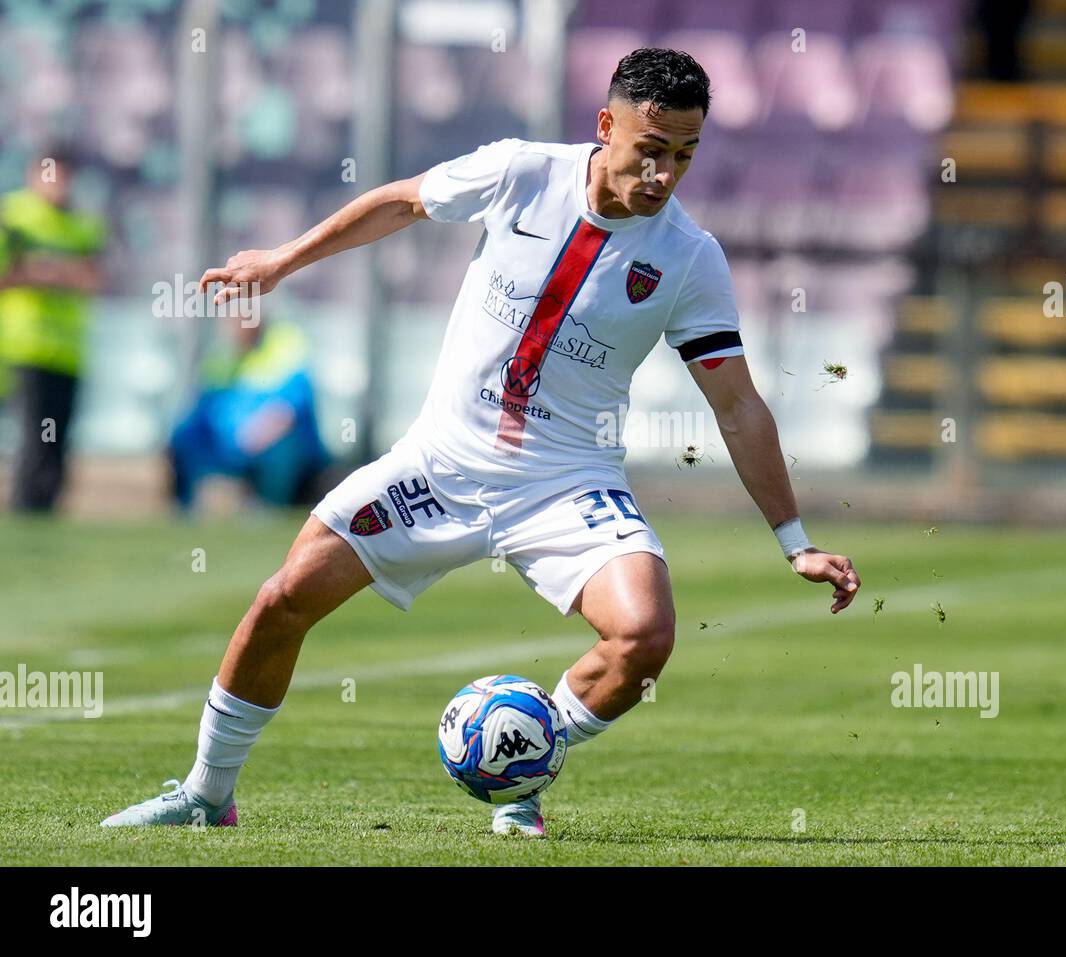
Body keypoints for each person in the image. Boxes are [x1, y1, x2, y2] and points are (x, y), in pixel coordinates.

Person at [102, 49, 861, 837]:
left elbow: (736, 404)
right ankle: (205, 794)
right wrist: (285, 259)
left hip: (566, 486)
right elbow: (401, 203)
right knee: (281, 599)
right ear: (607, 127)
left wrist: (793, 540)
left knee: (645, 636)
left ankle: (525, 777)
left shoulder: (690, 258)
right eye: (651, 149)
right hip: (437, 465)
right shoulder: (521, 172)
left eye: (684, 156)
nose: (665, 175)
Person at [0, 147, 106, 512]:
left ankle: (45, 512)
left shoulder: (83, 225)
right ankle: (26, 508)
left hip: (67, 351)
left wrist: (50, 273)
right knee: (34, 438)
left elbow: (93, 280)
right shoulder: (14, 217)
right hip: (24, 346)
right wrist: (43, 274)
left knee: (58, 441)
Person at [168, 317, 329, 510]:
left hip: (274, 444)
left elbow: (288, 411)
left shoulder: (286, 348)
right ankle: (183, 508)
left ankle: (269, 508)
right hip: (230, 445)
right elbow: (204, 408)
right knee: (184, 437)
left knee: (281, 447)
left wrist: (254, 436)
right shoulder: (222, 358)